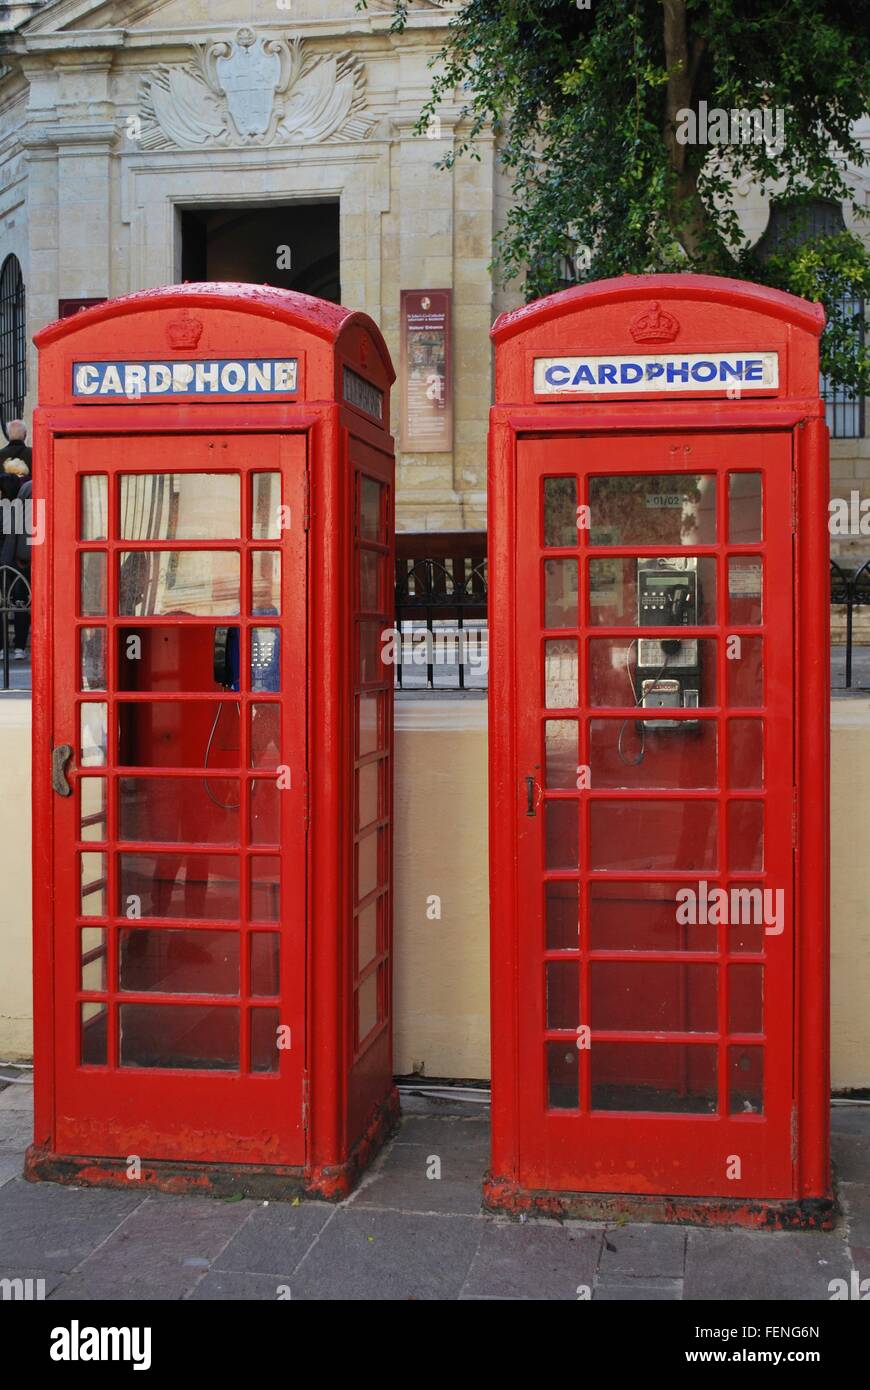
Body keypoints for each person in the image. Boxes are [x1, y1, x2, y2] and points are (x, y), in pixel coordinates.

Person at [0, 420, 32, 492]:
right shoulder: (33, 453)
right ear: (25, 434)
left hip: (5, 501)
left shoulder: (1, 454)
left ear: (8, 435)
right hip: (28, 499)